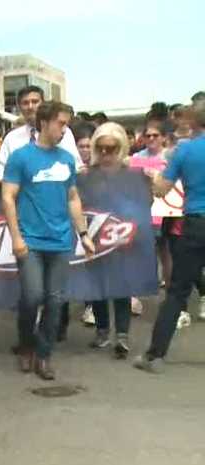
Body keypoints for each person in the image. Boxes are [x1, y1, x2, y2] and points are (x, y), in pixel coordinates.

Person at [2, 101, 95, 381]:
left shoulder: (67, 159)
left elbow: (73, 198)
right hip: (30, 241)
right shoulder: (21, 157)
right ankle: (26, 345)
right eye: (61, 123)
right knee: (32, 297)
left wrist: (84, 234)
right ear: (44, 123)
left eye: (66, 124)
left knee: (55, 301)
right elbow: (8, 197)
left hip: (61, 242)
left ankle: (44, 355)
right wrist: (16, 237)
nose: (64, 129)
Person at [135, 103, 205, 373]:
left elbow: (162, 190)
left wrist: (154, 178)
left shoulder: (184, 150)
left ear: (193, 122)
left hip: (195, 223)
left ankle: (155, 356)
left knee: (177, 292)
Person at [80, 123, 151, 358]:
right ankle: (102, 331)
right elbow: (77, 203)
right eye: (100, 148)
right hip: (95, 238)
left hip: (123, 238)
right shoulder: (87, 175)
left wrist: (149, 182)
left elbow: (146, 203)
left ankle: (122, 335)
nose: (105, 153)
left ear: (120, 148)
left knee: (122, 287)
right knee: (97, 287)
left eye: (111, 148)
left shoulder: (133, 174)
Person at [0, 85, 84, 188]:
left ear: (43, 104)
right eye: (25, 103)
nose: (30, 107)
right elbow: (2, 172)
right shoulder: (11, 138)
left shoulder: (63, 132)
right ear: (19, 107)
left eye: (35, 102)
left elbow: (76, 167)